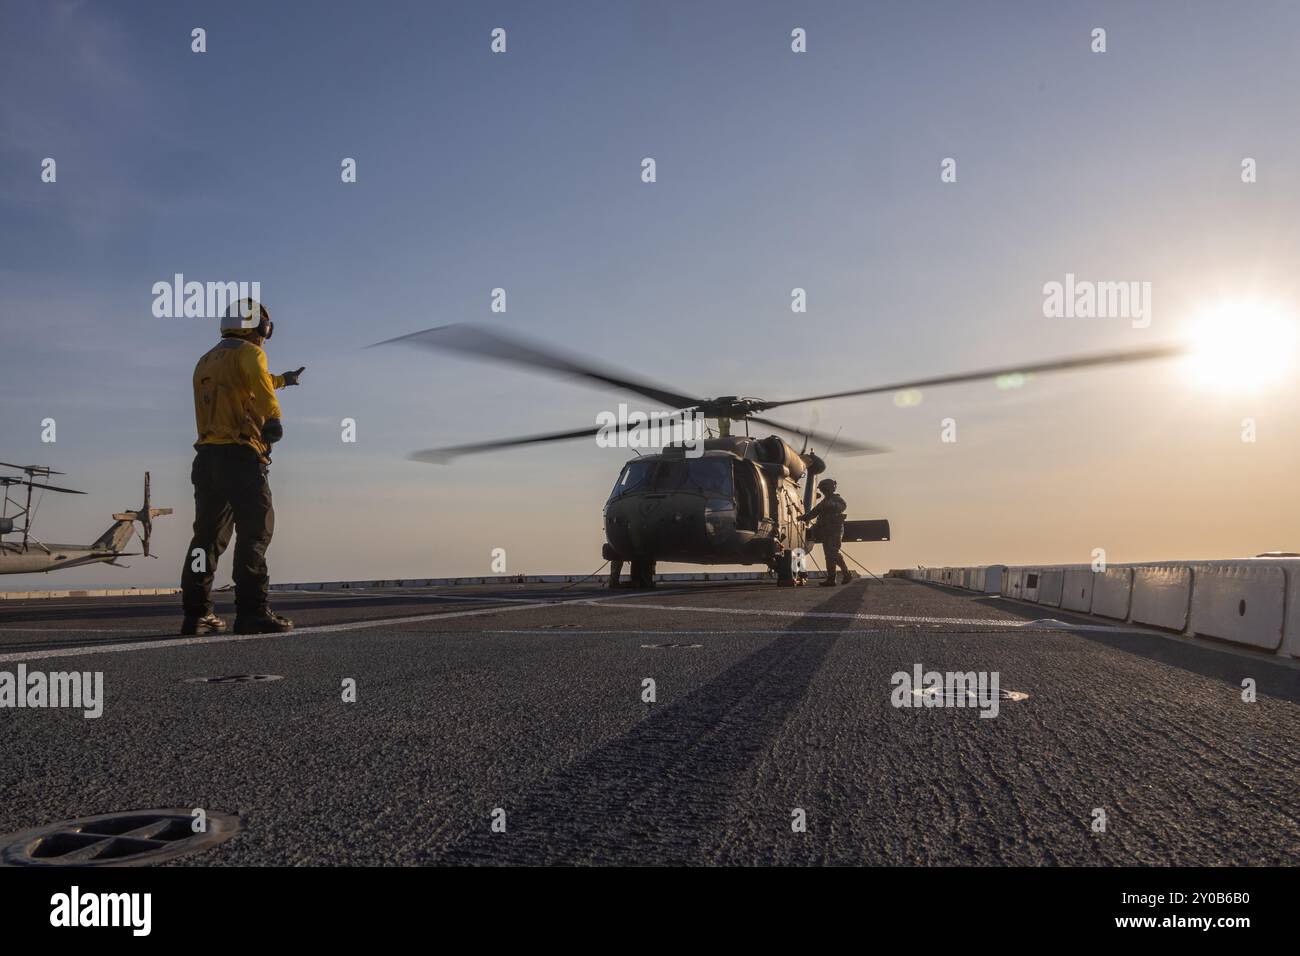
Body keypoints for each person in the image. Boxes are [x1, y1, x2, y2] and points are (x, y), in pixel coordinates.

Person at [180, 298, 304, 635]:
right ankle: (251, 612)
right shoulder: (251, 352)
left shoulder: (206, 360)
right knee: (256, 532)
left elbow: (252, 381)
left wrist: (284, 380)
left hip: (206, 460)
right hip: (240, 457)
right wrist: (274, 420)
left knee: (205, 538)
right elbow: (259, 387)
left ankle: (197, 615)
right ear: (259, 327)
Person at [800, 477, 852, 586]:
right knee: (829, 555)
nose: (823, 491)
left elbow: (843, 507)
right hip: (826, 531)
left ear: (829, 489)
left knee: (832, 553)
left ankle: (839, 576)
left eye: (824, 489)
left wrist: (832, 505)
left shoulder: (837, 499)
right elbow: (813, 513)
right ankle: (837, 577)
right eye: (822, 489)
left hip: (835, 530)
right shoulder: (823, 503)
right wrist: (802, 518)